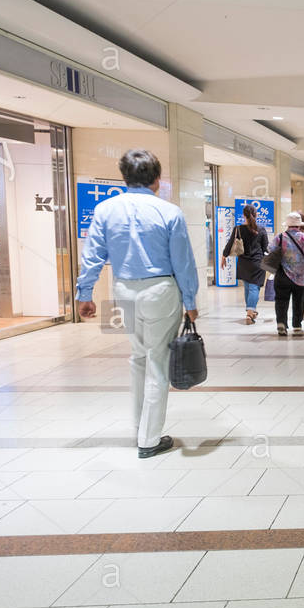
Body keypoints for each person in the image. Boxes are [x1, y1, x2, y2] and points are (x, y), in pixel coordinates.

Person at [76, 149, 199, 459]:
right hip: (160, 290)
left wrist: (84, 294)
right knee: (158, 361)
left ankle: (139, 427)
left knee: (137, 357)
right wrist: (190, 299)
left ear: (124, 177)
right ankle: (149, 439)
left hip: (122, 289)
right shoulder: (169, 212)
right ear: (157, 179)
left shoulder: (106, 210)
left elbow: (92, 255)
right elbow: (183, 261)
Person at [268, 212, 304, 336]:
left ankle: (281, 324)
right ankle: (297, 326)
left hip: (282, 274)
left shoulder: (280, 237)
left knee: (281, 300)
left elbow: (270, 249)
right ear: (299, 225)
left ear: (288, 225)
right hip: (300, 276)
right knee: (299, 300)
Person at [228, 204, 268, 325]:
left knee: (247, 286)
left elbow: (230, 244)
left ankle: (251, 311)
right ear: (256, 215)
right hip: (257, 262)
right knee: (254, 287)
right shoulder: (261, 229)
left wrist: (224, 256)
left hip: (243, 263)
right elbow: (265, 248)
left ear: (243, 216)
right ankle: (250, 312)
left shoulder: (238, 229)